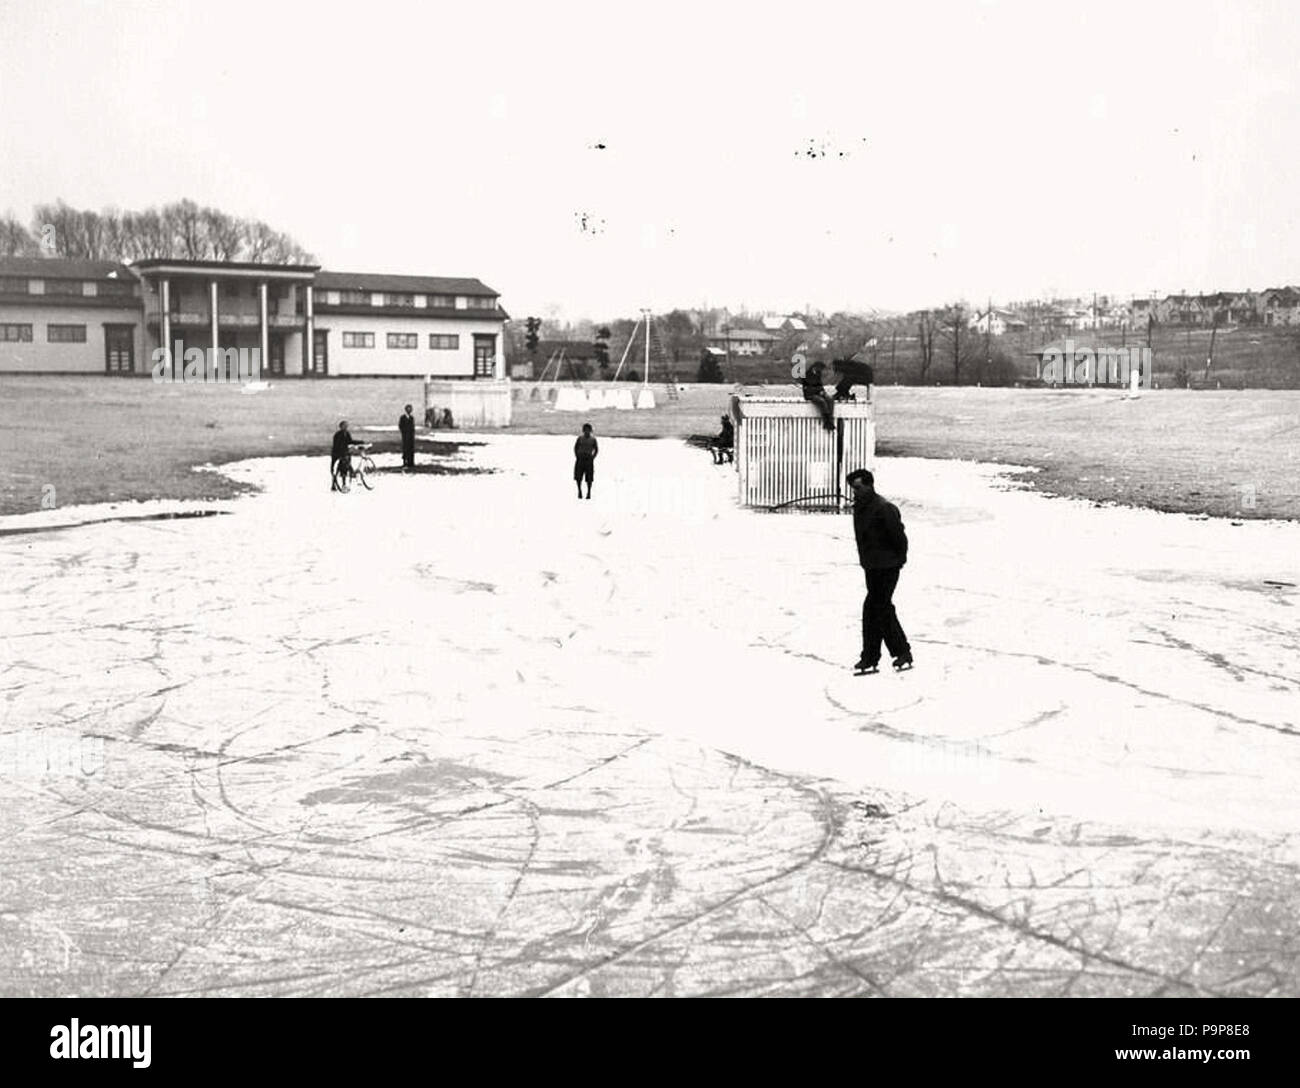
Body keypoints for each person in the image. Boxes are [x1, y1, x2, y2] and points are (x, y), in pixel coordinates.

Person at [846, 468, 912, 673]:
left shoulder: (884, 508)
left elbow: (900, 539)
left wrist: (898, 560)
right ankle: (892, 654)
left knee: (876, 609)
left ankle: (876, 656)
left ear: (869, 485)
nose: (854, 492)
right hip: (872, 567)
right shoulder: (862, 507)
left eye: (857, 488)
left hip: (888, 567)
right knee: (879, 609)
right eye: (853, 489)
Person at [800, 360, 836, 430]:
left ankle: (830, 419)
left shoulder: (818, 374)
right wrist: (819, 391)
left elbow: (820, 385)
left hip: (817, 393)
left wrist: (823, 391)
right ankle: (827, 421)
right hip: (810, 394)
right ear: (815, 368)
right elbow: (808, 388)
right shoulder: (807, 375)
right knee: (822, 401)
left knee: (830, 399)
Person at [331, 420, 364, 492]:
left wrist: (359, 442)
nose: (346, 427)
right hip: (337, 453)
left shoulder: (347, 433)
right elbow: (336, 446)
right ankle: (334, 484)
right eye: (344, 426)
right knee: (335, 469)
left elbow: (350, 441)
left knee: (344, 468)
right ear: (341, 427)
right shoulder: (337, 435)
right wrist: (340, 454)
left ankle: (344, 483)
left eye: (346, 426)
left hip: (344, 453)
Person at [573, 422, 598, 499]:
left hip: (588, 459)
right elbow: (575, 448)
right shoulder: (580, 438)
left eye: (588, 430)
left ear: (590, 431)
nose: (587, 431)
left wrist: (593, 457)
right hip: (580, 458)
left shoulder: (593, 439)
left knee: (589, 478)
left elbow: (596, 449)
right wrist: (577, 456)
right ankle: (579, 491)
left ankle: (589, 492)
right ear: (583, 430)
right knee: (578, 477)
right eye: (585, 430)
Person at [399, 403, 416, 471]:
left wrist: (412, 433)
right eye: (408, 409)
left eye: (410, 409)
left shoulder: (412, 418)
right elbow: (400, 425)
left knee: (411, 449)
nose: (409, 410)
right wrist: (404, 432)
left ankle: (411, 462)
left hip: (411, 436)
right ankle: (405, 462)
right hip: (405, 436)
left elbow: (412, 426)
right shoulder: (402, 418)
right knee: (405, 449)